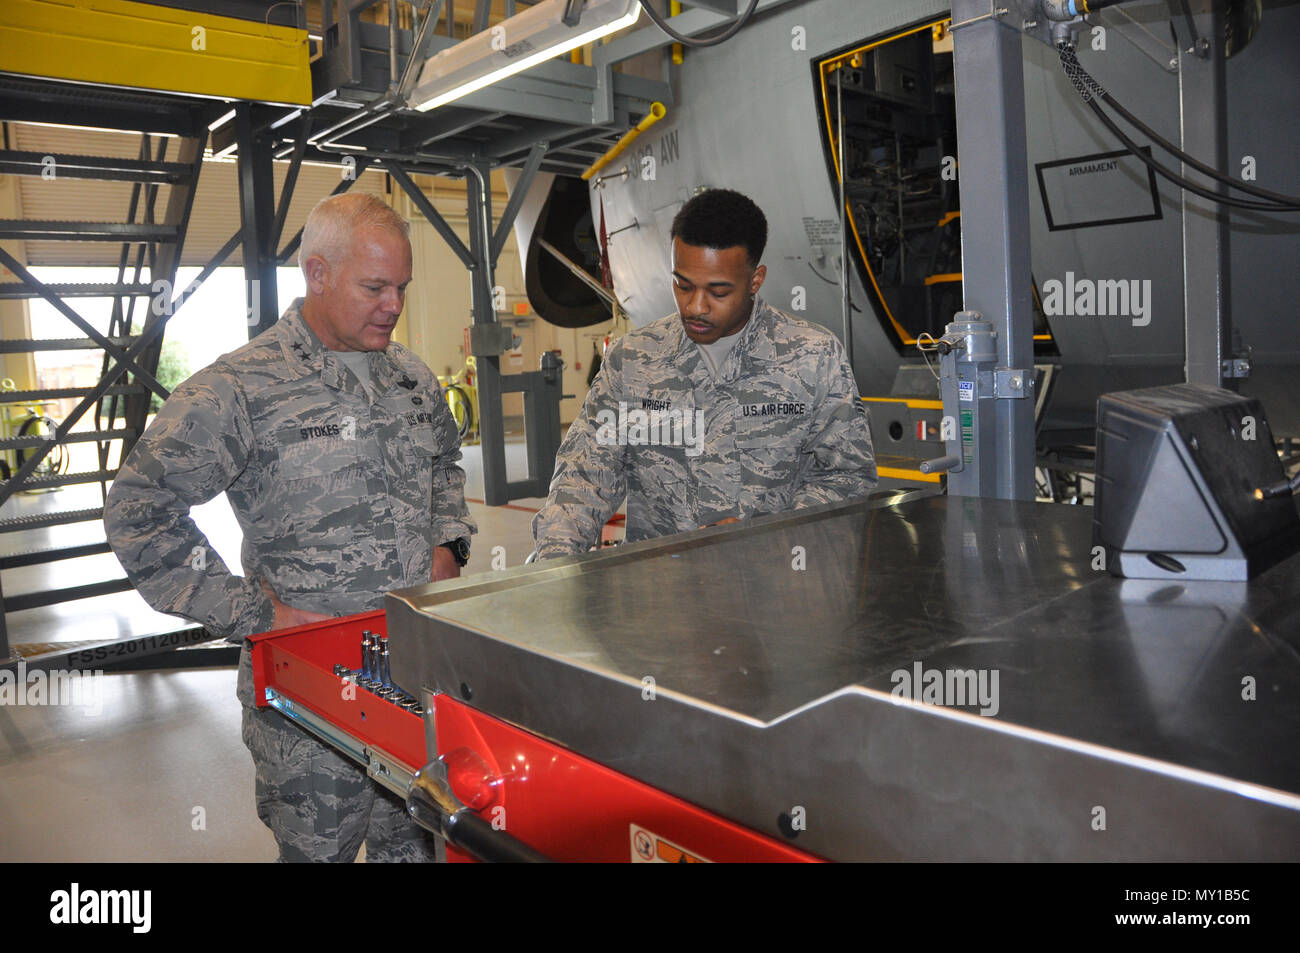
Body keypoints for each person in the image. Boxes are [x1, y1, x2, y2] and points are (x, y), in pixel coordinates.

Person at [105, 192, 475, 862]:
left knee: (418, 852)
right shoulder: (240, 389)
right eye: (374, 287)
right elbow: (139, 507)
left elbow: (446, 461)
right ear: (318, 273)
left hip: (413, 685)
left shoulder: (413, 378)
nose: (393, 305)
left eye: (401, 287)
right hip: (308, 706)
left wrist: (447, 542)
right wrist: (255, 611)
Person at [532, 188, 876, 558]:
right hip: (660, 591)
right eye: (683, 285)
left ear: (755, 280)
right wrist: (554, 565)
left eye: (718, 291)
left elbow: (848, 478)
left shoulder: (812, 355)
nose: (695, 307)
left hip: (776, 585)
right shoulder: (633, 360)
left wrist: (765, 533)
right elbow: (583, 476)